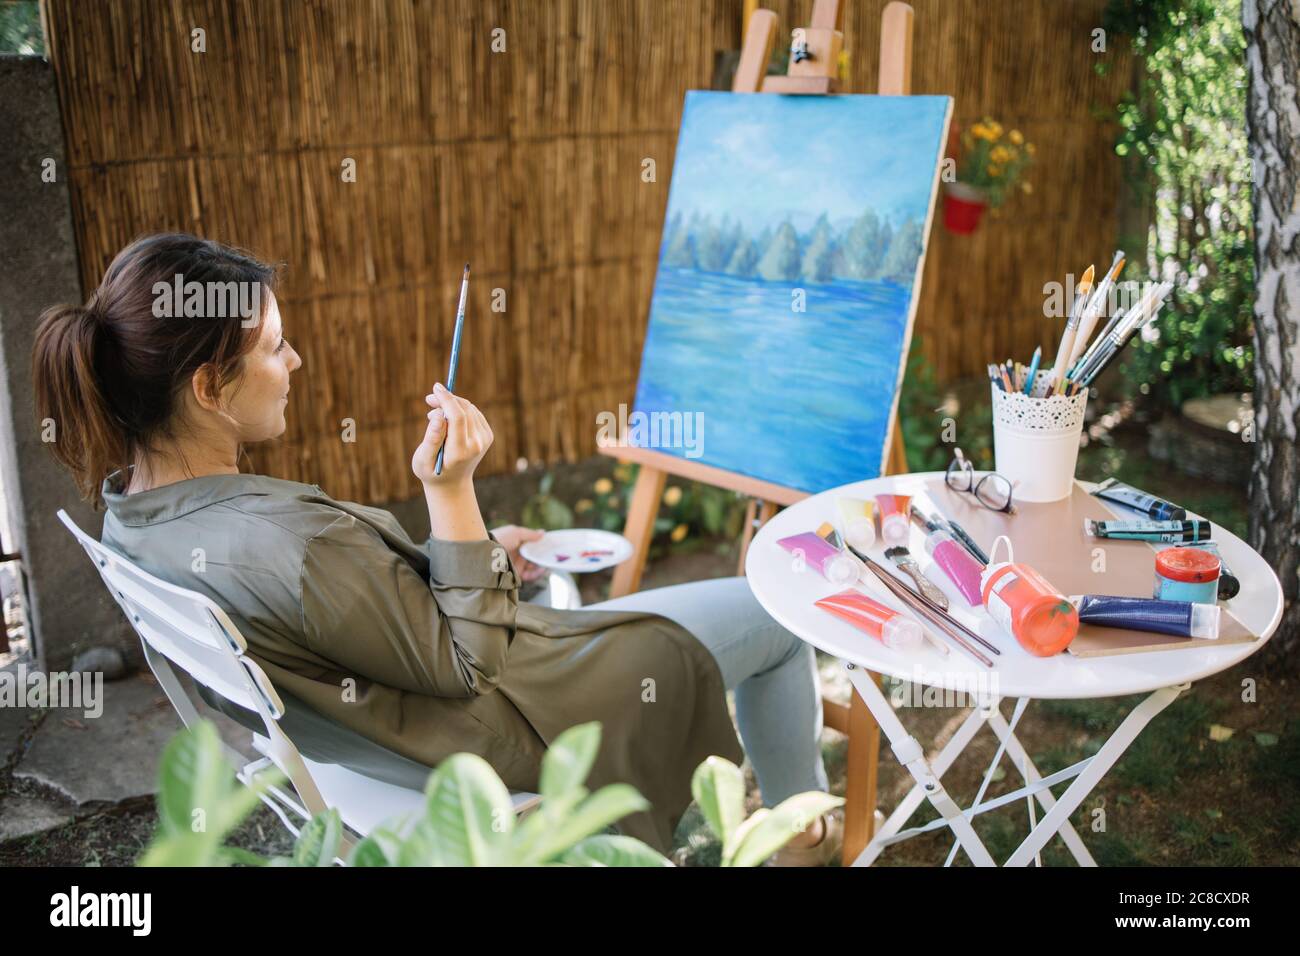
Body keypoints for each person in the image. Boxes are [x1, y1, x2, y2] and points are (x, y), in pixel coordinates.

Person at [32, 233, 836, 862]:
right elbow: (467, 664)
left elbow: (346, 615)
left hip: (372, 747)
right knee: (775, 612)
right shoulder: (292, 542)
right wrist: (454, 497)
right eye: (276, 347)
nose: (295, 362)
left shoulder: (132, 516)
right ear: (209, 388)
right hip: (508, 727)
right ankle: (805, 848)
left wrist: (466, 553)